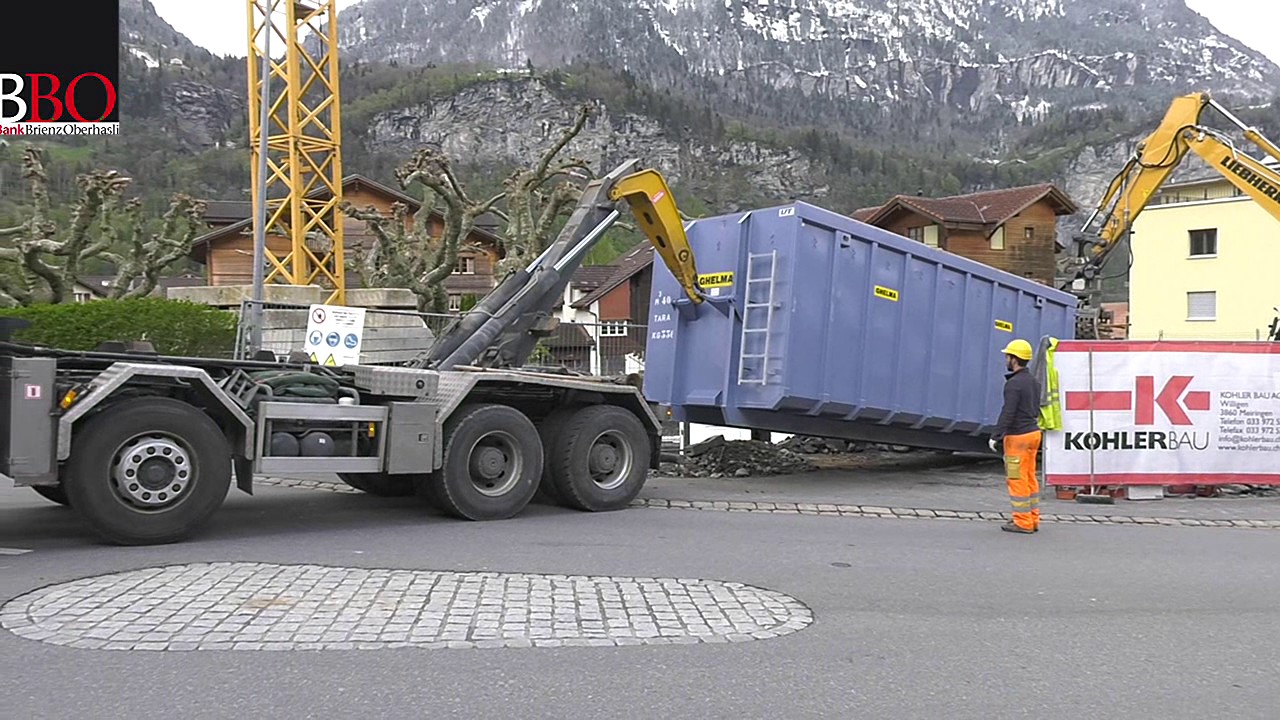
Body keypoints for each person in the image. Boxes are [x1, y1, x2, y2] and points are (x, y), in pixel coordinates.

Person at [988, 338, 1043, 534]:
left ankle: (1022, 522)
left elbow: (1008, 411)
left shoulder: (1014, 384)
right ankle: (1033, 518)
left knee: (1016, 478)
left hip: (1017, 438)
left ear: (1014, 359)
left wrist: (996, 435)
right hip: (1033, 434)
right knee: (1029, 477)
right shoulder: (1034, 382)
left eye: (1007, 356)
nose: (1006, 360)